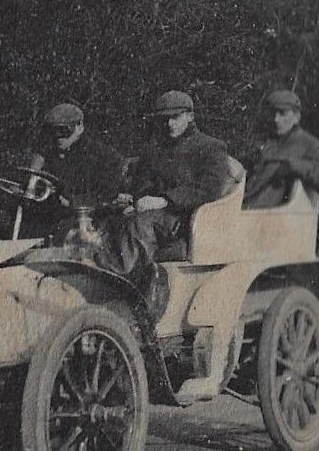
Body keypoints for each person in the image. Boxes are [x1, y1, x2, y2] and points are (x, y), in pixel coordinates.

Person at [98, 90, 233, 313]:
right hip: (156, 213)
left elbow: (208, 190)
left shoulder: (211, 147)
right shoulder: (156, 149)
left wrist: (164, 200)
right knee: (110, 218)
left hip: (185, 216)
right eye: (164, 119)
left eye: (176, 117)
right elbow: (144, 182)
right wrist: (132, 198)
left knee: (141, 224)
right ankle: (100, 275)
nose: (170, 124)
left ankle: (123, 292)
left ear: (190, 116)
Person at [18, 102, 124, 239]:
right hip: (52, 220)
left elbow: (108, 195)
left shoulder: (103, 156)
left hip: (89, 220)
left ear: (79, 127)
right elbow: (31, 189)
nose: (58, 137)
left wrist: (73, 201)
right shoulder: (47, 155)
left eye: (64, 131)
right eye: (53, 131)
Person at [242, 89, 319, 209]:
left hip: (281, 220)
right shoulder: (268, 142)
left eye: (282, 113)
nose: (276, 119)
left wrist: (294, 166)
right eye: (273, 113)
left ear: (296, 117)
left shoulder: (310, 144)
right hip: (250, 212)